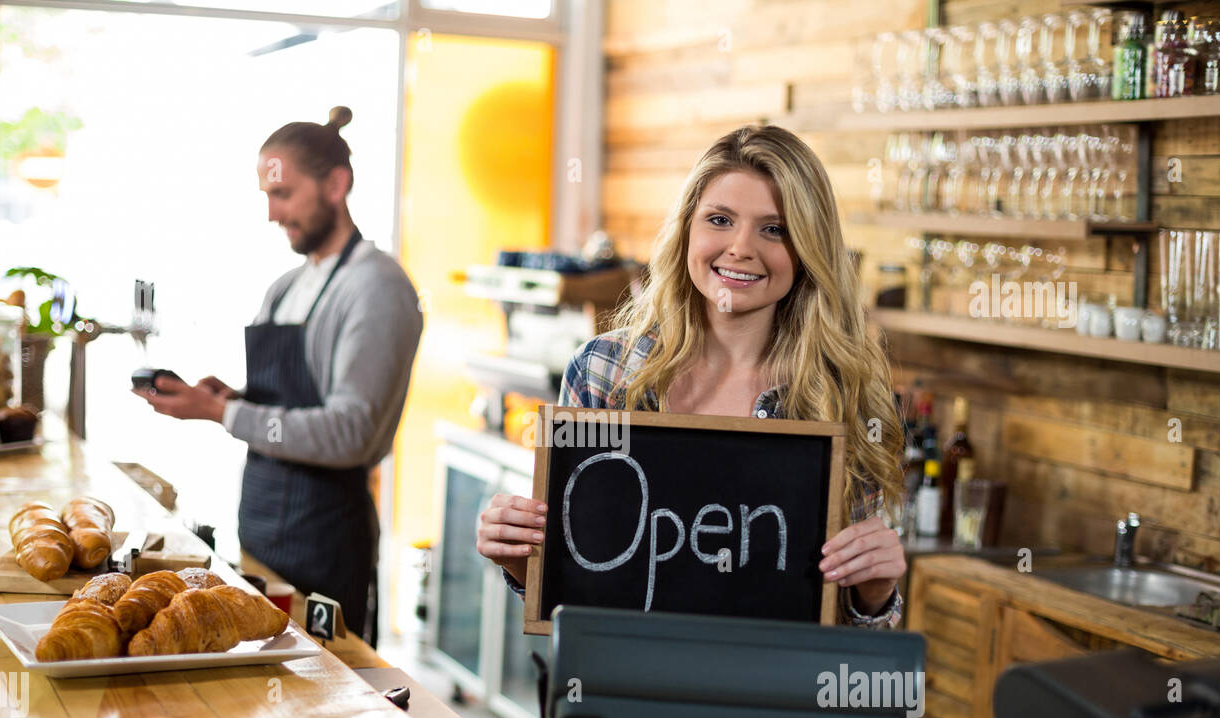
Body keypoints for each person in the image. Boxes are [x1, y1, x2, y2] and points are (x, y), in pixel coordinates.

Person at [476, 124, 906, 628]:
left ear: (809, 249)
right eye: (720, 220)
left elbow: (848, 627)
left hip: (773, 696)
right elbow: (576, 580)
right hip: (616, 691)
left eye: (774, 229)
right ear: (687, 230)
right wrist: (517, 557)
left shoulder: (844, 396)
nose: (741, 247)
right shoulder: (604, 371)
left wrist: (874, 595)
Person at [137, 106, 422, 645]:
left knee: (325, 700)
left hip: (325, 542)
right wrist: (228, 397)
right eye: (268, 196)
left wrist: (224, 413)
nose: (272, 213)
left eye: (284, 194)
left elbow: (351, 433)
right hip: (262, 529)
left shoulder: (376, 289)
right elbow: (285, 405)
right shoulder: (288, 285)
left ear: (336, 184)